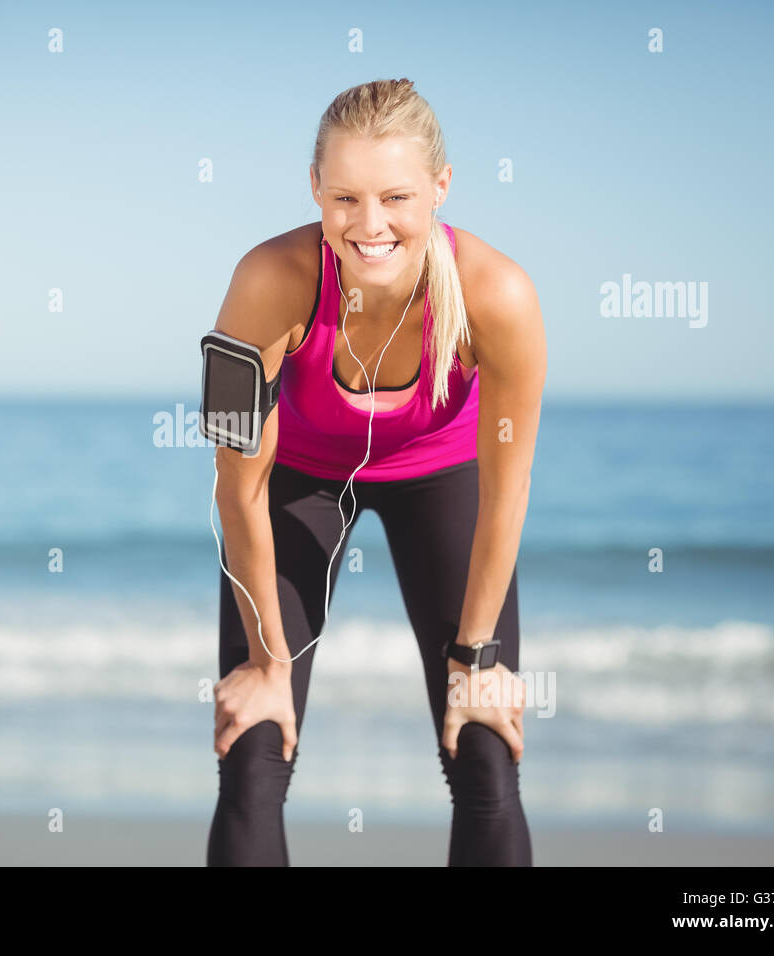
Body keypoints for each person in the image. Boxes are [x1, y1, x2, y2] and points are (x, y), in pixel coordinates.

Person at [206, 78, 546, 866]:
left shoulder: (501, 295)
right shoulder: (267, 281)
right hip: (298, 476)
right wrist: (265, 663)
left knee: (485, 744)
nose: (370, 225)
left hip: (443, 472)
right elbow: (237, 486)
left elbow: (508, 492)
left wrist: (476, 662)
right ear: (315, 191)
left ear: (440, 189)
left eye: (396, 196)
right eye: (346, 198)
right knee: (254, 743)